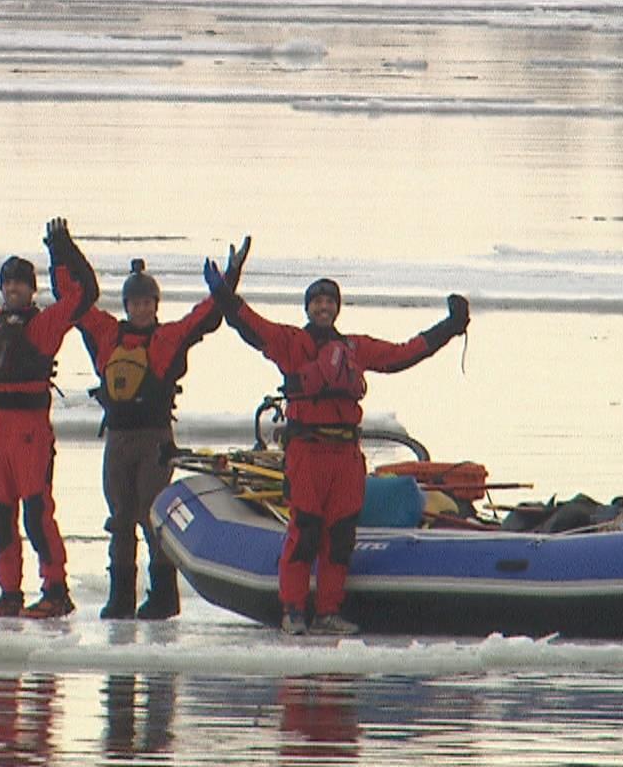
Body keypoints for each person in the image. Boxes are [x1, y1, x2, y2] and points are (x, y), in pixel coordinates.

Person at [205, 256, 468, 635]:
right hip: (307, 453)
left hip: (345, 456)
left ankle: (329, 611)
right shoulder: (291, 343)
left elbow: (402, 355)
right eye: (317, 301)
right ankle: (293, 610)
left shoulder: (355, 348)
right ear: (308, 308)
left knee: (341, 535)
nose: (324, 307)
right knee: (305, 530)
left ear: (337, 308)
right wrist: (223, 293)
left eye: (330, 301)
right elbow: (250, 327)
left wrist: (450, 327)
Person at [0, 219, 99, 618]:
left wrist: (62, 249)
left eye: (20, 284)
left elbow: (85, 295)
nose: (13, 289)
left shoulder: (44, 325)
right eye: (8, 283)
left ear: (32, 290)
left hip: (30, 432)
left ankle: (56, 590)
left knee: (36, 512)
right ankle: (10, 592)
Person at [76, 241, 242, 620]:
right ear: (127, 306)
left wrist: (227, 281)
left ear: (155, 304)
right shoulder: (107, 335)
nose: (141, 308)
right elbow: (77, 306)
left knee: (154, 516)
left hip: (155, 439)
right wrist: (62, 253)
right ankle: (120, 598)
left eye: (147, 302)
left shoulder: (167, 338)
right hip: (118, 440)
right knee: (120, 517)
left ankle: (164, 596)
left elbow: (205, 315)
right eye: (135, 303)